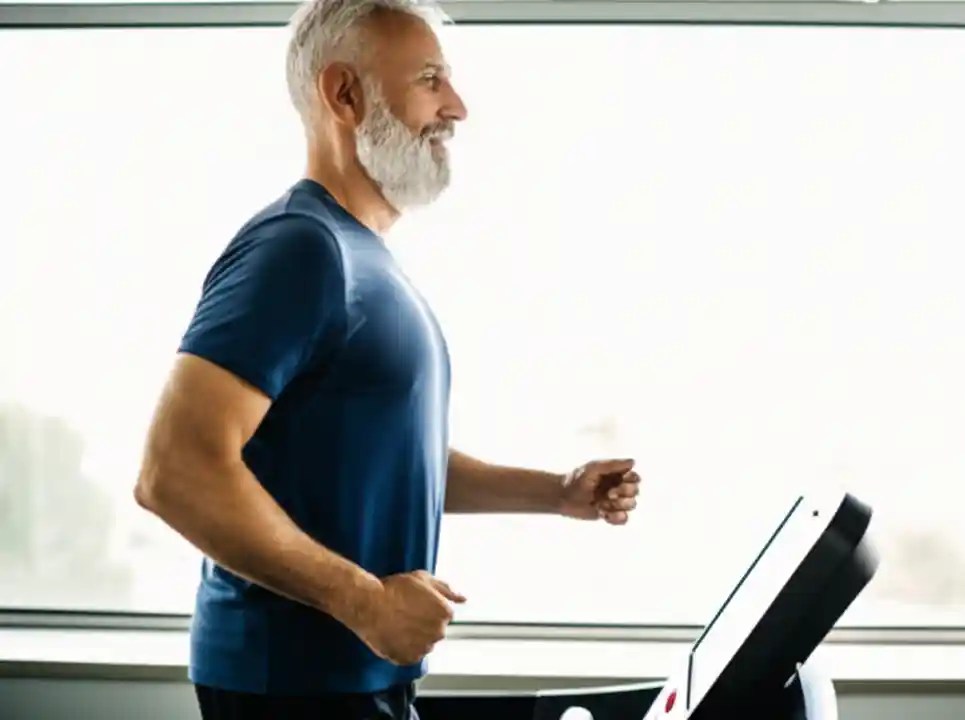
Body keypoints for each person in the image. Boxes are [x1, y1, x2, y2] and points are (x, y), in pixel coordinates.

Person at [132, 0, 641, 717]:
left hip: (355, 680)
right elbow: (174, 472)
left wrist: (556, 491)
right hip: (293, 689)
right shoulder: (297, 249)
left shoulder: (360, 255)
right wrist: (365, 601)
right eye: (430, 79)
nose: (457, 107)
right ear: (344, 95)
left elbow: (388, 458)